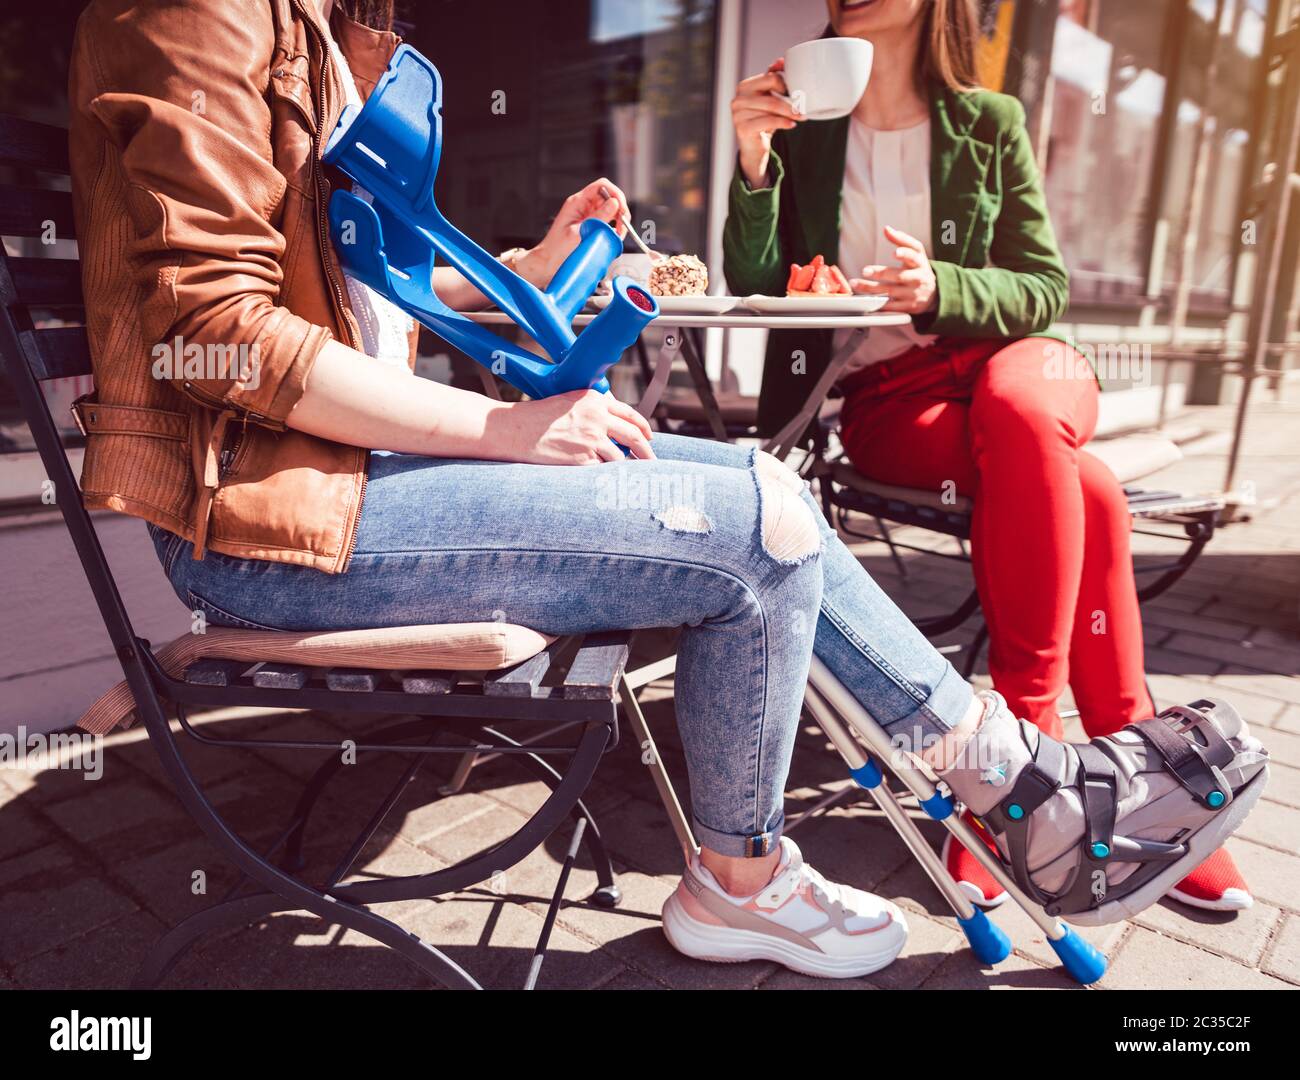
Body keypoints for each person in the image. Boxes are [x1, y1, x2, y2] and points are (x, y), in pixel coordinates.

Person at [68, 0, 1265, 979]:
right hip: (271, 522)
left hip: (353, 480)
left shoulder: (309, 24)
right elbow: (213, 330)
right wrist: (501, 426)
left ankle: (920, 819)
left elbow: (339, 283)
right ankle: (991, 809)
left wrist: (531, 270)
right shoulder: (199, 13)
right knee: (754, 527)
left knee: (761, 488)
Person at [723, 0, 1254, 914]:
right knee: (1085, 485)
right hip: (894, 396)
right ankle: (1131, 765)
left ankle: (1028, 763)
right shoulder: (803, 131)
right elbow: (760, 286)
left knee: (1019, 408)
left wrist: (943, 285)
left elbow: (1045, 284)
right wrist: (754, 162)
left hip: (1022, 364)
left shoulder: (988, 121)